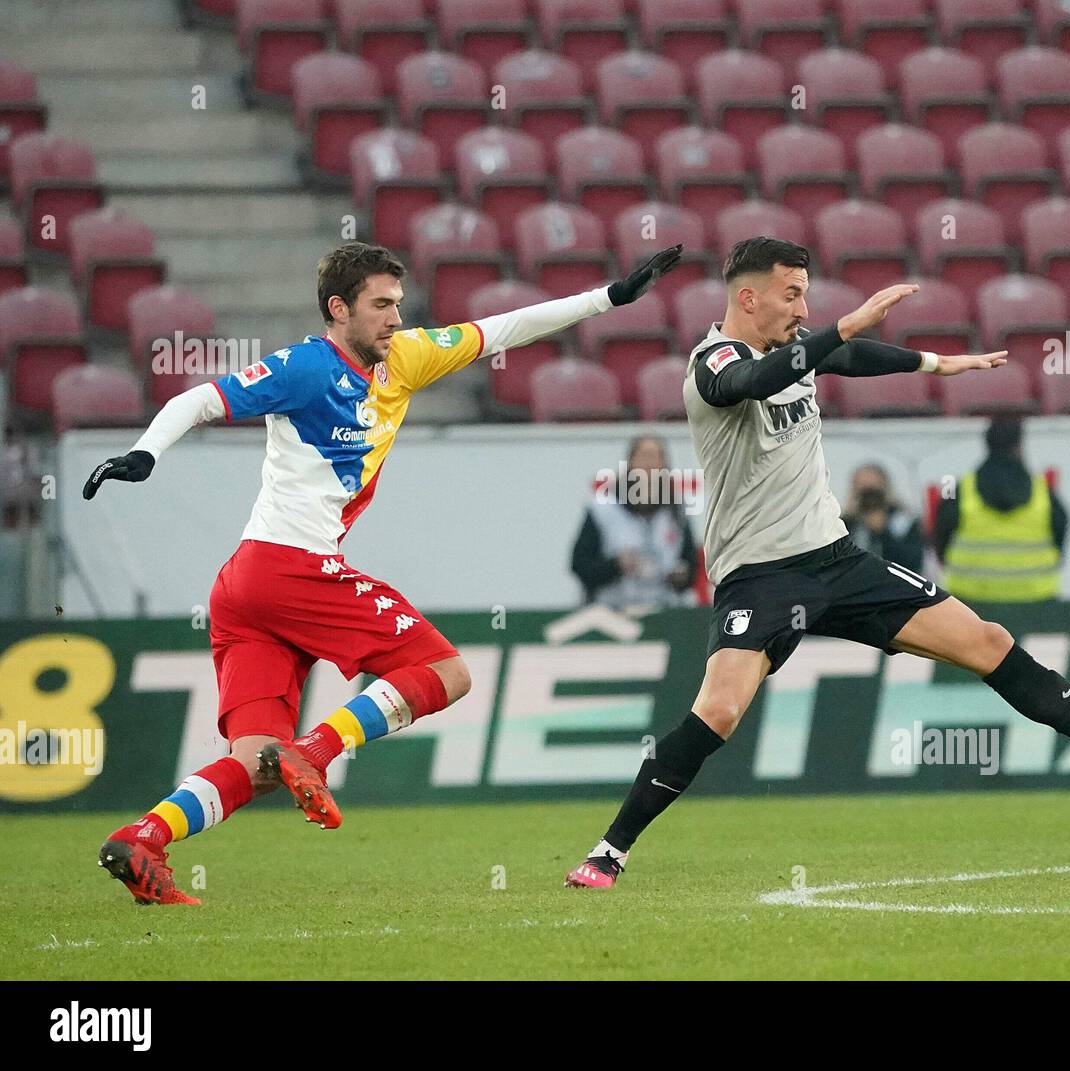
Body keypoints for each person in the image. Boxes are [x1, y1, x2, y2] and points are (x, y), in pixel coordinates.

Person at [563, 236, 1070, 889]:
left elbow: (845, 360)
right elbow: (761, 377)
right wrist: (842, 325)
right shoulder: (711, 363)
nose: (802, 309)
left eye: (807, 296)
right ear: (748, 297)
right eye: (792, 294)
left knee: (987, 641)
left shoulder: (795, 347)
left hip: (835, 559)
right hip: (760, 577)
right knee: (719, 711)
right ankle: (610, 849)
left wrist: (935, 365)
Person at [83, 239, 682, 904]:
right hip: (292, 570)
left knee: (255, 763)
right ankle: (317, 748)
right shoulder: (305, 367)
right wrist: (145, 453)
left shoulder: (407, 358)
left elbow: (504, 328)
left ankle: (143, 837)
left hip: (246, 587)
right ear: (338, 309)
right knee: (446, 671)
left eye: (398, 303)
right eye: (380, 306)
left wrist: (611, 297)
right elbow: (199, 399)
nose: (396, 318)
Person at [933, 416, 1068, 603]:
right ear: (1020, 445)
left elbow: (940, 535)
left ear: (986, 444)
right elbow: (1061, 533)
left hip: (970, 602)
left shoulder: (960, 489)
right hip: (1036, 599)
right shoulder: (1042, 491)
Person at [570, 435, 698, 611]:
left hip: (663, 612)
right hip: (611, 612)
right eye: (644, 456)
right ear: (630, 462)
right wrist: (616, 565)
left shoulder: (676, 510)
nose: (650, 465)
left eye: (657, 457)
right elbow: (580, 564)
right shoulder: (603, 508)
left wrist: (681, 576)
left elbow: (690, 563)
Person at [841, 462, 925, 575]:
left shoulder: (903, 521)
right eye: (862, 490)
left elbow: (913, 563)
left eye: (872, 491)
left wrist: (883, 532)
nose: (868, 499)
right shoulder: (846, 524)